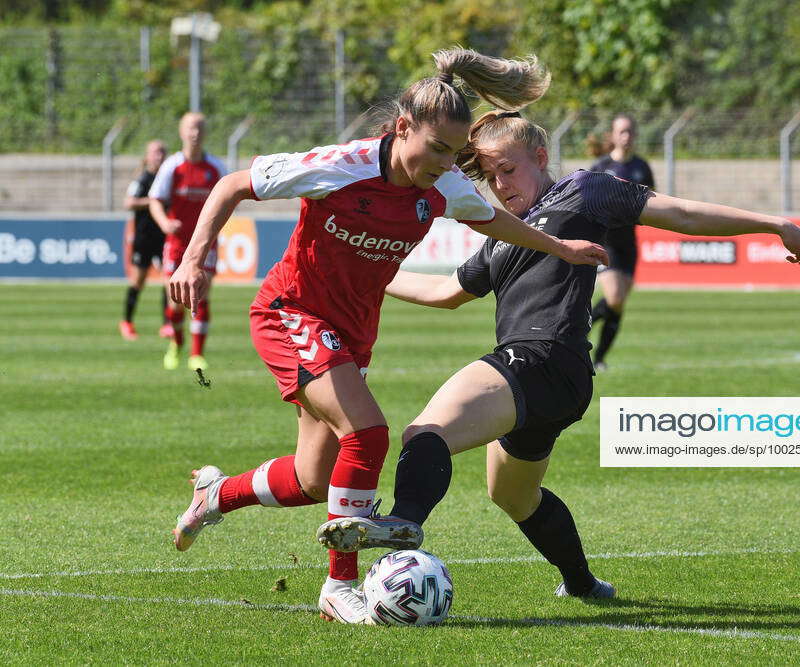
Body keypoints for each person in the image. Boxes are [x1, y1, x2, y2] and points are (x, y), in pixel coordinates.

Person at [166, 48, 608, 624]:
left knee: (314, 478)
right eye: (439, 148)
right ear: (403, 128)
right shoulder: (342, 165)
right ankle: (338, 586)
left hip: (351, 333)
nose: (447, 163)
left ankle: (215, 495)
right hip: (292, 311)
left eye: (455, 153)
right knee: (369, 434)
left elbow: (495, 221)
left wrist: (563, 249)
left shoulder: (444, 184)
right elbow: (232, 186)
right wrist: (197, 259)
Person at [317, 111, 800, 602]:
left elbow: (679, 213)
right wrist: (365, 270)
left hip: (543, 358)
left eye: (507, 170)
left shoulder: (585, 190)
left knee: (426, 433)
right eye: (490, 178)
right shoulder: (507, 231)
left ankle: (404, 522)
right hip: (550, 381)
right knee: (512, 495)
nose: (500, 185)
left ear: (540, 156)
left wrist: (774, 224)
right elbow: (446, 291)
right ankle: (583, 583)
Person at [148, 112, 227, 371]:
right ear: (182, 132)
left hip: (206, 244)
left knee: (201, 296)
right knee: (175, 300)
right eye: (191, 128)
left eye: (200, 128)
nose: (196, 133)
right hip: (178, 243)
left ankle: (196, 354)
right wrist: (164, 224)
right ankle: (176, 343)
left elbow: (230, 198)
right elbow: (155, 200)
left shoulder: (215, 168)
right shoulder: (173, 166)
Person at [586, 114, 655, 370]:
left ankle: (600, 358)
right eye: (621, 131)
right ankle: (578, 330)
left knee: (618, 304)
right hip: (607, 242)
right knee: (613, 297)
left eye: (630, 132)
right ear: (613, 136)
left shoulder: (641, 167)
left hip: (629, 243)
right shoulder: (601, 167)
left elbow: (652, 200)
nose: (626, 136)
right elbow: (585, 201)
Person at [119, 139, 172, 341]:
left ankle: (167, 324)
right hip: (144, 238)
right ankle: (127, 322)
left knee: (168, 281)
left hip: (164, 237)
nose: (159, 155)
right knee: (138, 282)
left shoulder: (168, 179)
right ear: (148, 156)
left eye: (162, 152)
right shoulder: (142, 179)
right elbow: (129, 202)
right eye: (156, 152)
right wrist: (152, 201)